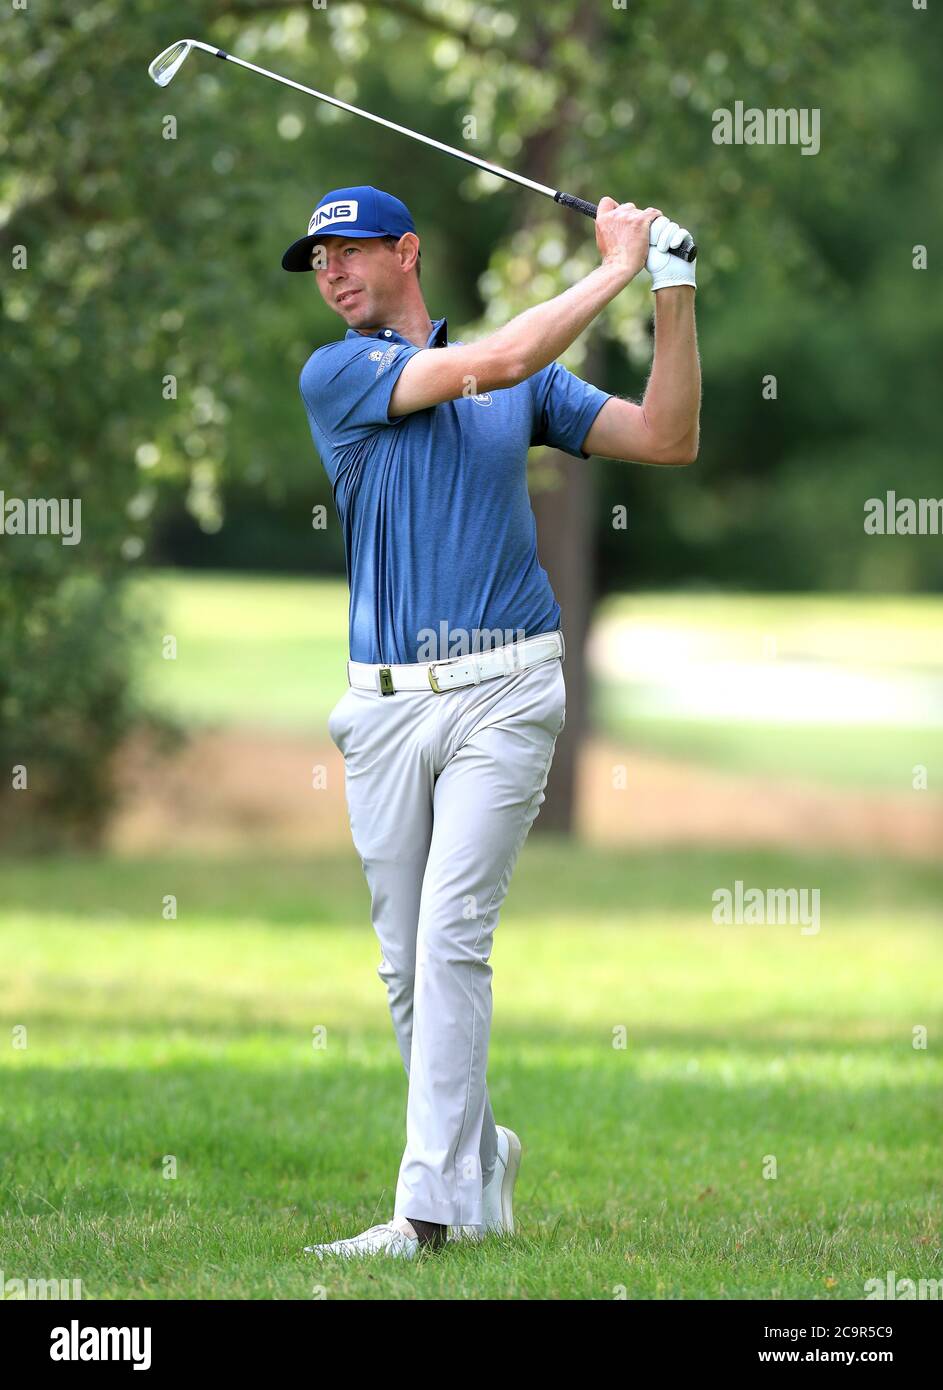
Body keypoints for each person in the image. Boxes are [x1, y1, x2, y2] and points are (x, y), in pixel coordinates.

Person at [282, 185, 700, 1260]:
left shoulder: (522, 377)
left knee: (451, 933)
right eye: (316, 260)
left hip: (506, 692)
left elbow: (664, 436)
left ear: (407, 250)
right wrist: (608, 265)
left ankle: (423, 1215)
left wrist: (669, 284)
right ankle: (477, 1155)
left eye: (348, 251)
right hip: (380, 711)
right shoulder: (341, 372)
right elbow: (500, 362)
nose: (328, 272)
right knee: (404, 966)